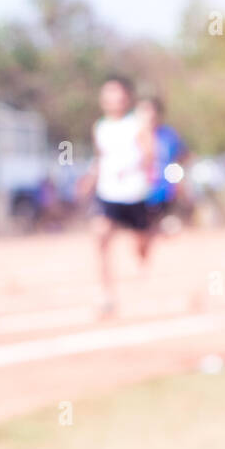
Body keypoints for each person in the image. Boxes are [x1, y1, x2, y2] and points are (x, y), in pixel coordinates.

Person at [79, 76, 155, 317]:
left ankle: (143, 253)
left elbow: (149, 154)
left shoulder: (137, 124)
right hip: (108, 193)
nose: (113, 99)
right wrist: (89, 180)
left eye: (117, 94)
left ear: (126, 98)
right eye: (108, 94)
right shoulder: (100, 127)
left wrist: (135, 170)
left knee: (141, 242)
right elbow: (100, 159)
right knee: (100, 236)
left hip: (135, 192)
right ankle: (106, 293)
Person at [139, 96, 190, 236]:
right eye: (144, 110)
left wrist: (179, 183)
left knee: (167, 228)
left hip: (164, 191)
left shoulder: (169, 135)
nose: (148, 115)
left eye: (151, 111)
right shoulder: (132, 136)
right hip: (139, 190)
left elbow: (181, 159)